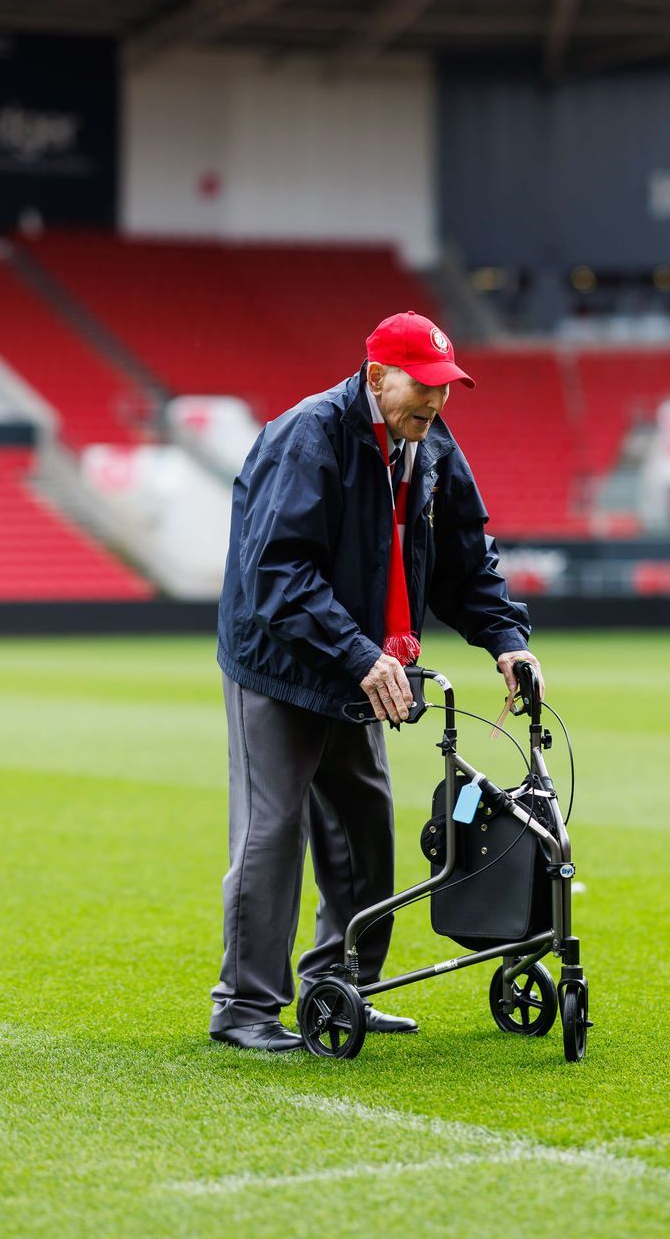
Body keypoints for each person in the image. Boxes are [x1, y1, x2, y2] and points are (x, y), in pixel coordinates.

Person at [210, 309, 543, 1051]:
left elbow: (467, 562)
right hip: (280, 664)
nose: (436, 401)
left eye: (446, 387)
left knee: (365, 831)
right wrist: (362, 655)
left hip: (363, 667)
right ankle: (244, 1009)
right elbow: (277, 574)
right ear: (375, 377)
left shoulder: (432, 446)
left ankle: (344, 990)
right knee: (273, 832)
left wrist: (507, 642)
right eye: (422, 386)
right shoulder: (309, 435)